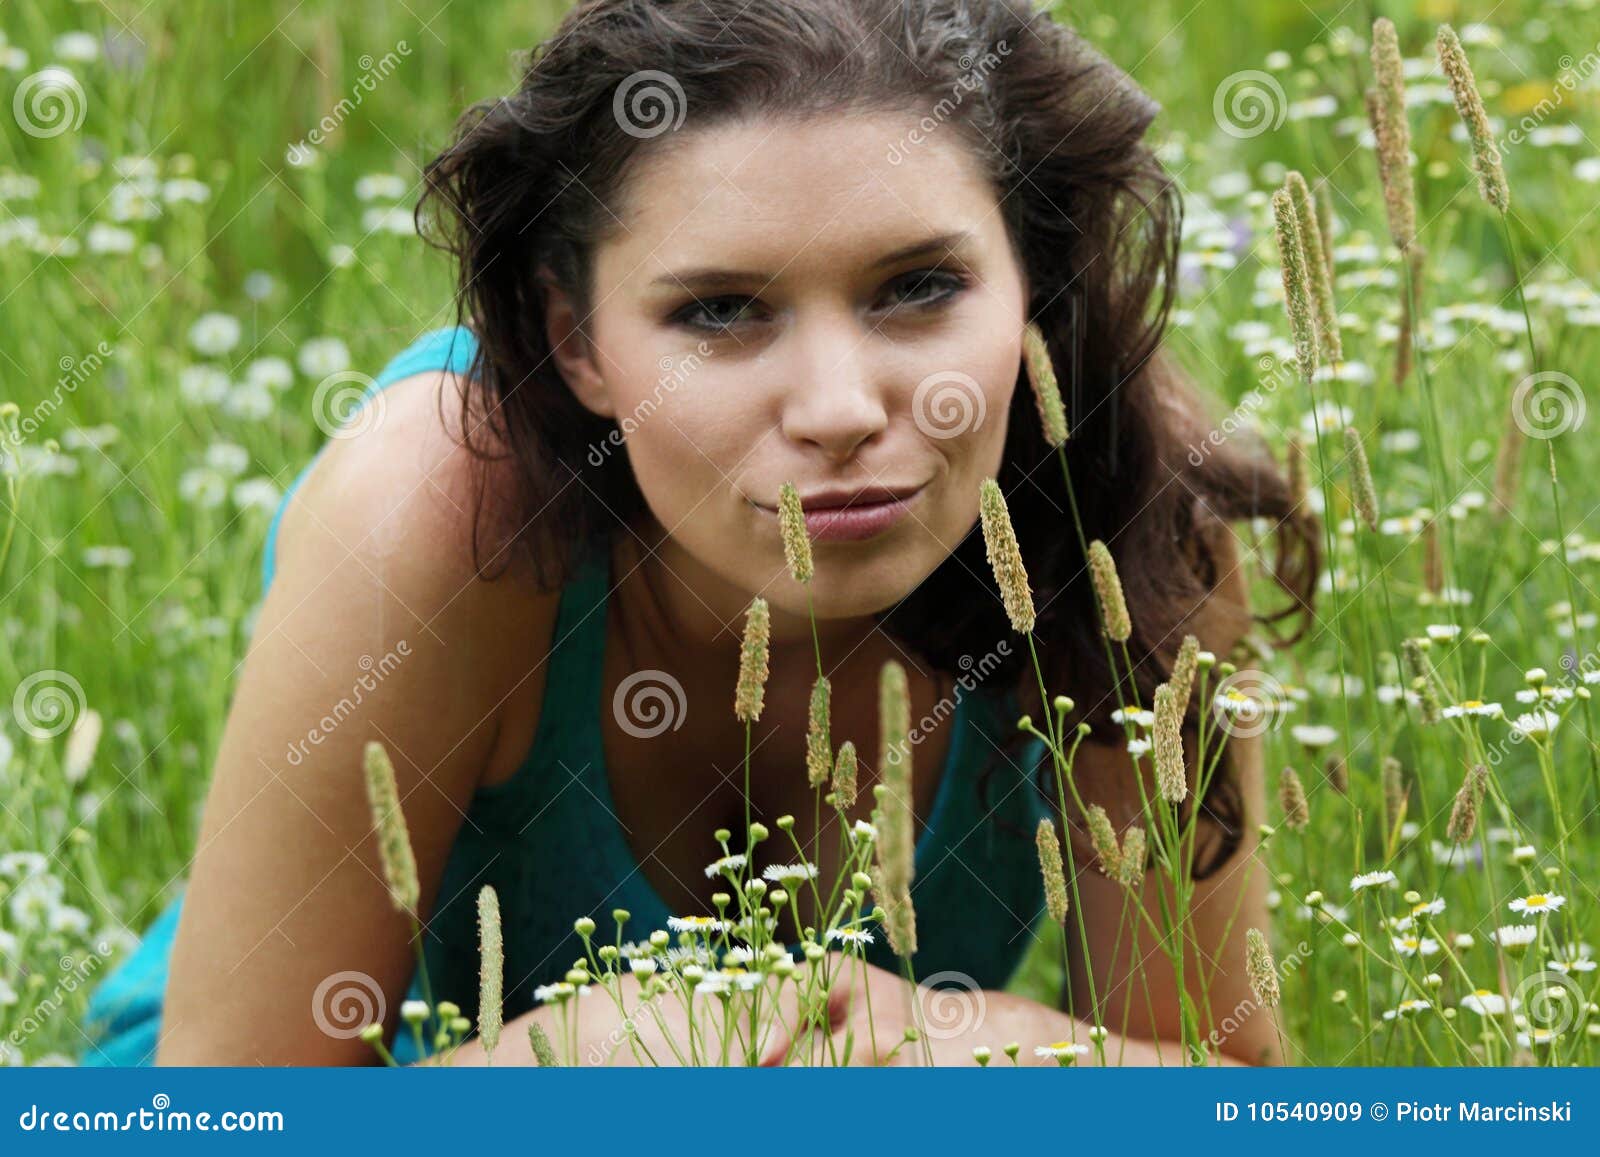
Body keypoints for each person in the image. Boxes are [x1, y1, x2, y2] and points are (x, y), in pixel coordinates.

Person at [82, 0, 1315, 1067]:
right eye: (721, 310)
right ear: (576, 341)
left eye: (918, 287)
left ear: (1028, 289)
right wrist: (588, 1058)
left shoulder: (1126, 523)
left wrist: (940, 1038)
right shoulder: (443, 505)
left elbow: (1217, 1083)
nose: (839, 410)